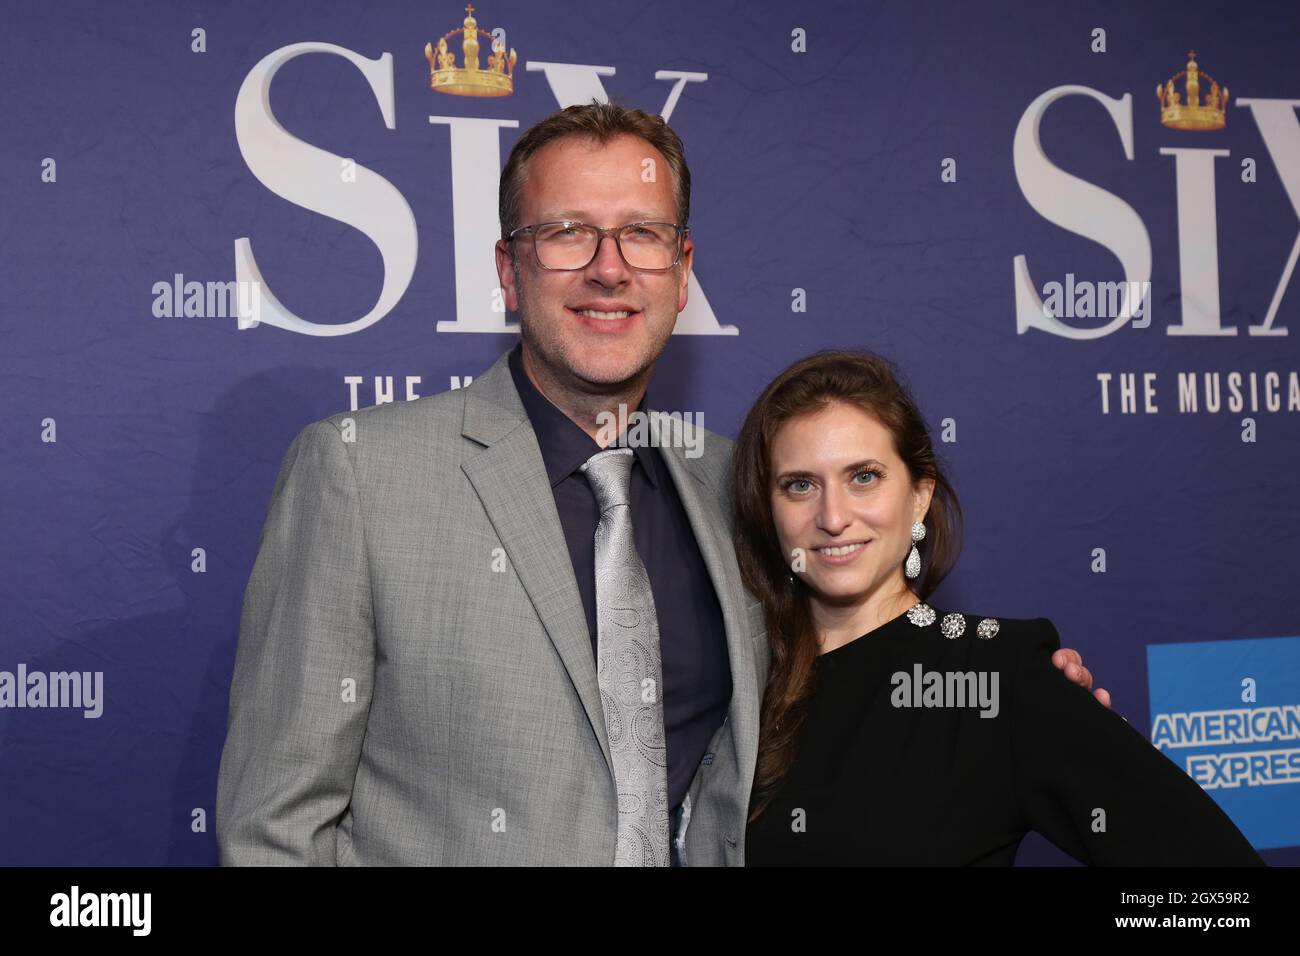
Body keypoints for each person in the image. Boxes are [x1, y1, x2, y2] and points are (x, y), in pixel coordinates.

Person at [215, 101, 1106, 867]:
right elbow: (275, 826)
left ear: (681, 274)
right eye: (566, 232)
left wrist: (1010, 692)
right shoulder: (362, 473)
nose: (609, 267)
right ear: (505, 269)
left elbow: (853, 650)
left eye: (640, 233)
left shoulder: (740, 487)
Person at [733, 350, 1264, 865]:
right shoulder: (738, 680)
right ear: (769, 508)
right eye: (800, 485)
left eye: (864, 477)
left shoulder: (998, 675)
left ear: (919, 495)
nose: (833, 516)